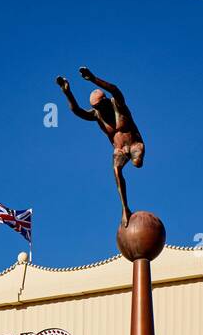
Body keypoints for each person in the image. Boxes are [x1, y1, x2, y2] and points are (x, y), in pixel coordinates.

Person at [56, 67, 145, 222]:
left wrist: (93, 79)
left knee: (137, 163)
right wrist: (67, 92)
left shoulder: (118, 105)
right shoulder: (97, 115)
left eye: (99, 106)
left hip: (135, 143)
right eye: (95, 108)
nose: (97, 110)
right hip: (120, 149)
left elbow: (115, 89)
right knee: (116, 170)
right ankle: (125, 208)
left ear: (104, 101)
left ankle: (135, 156)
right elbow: (77, 110)